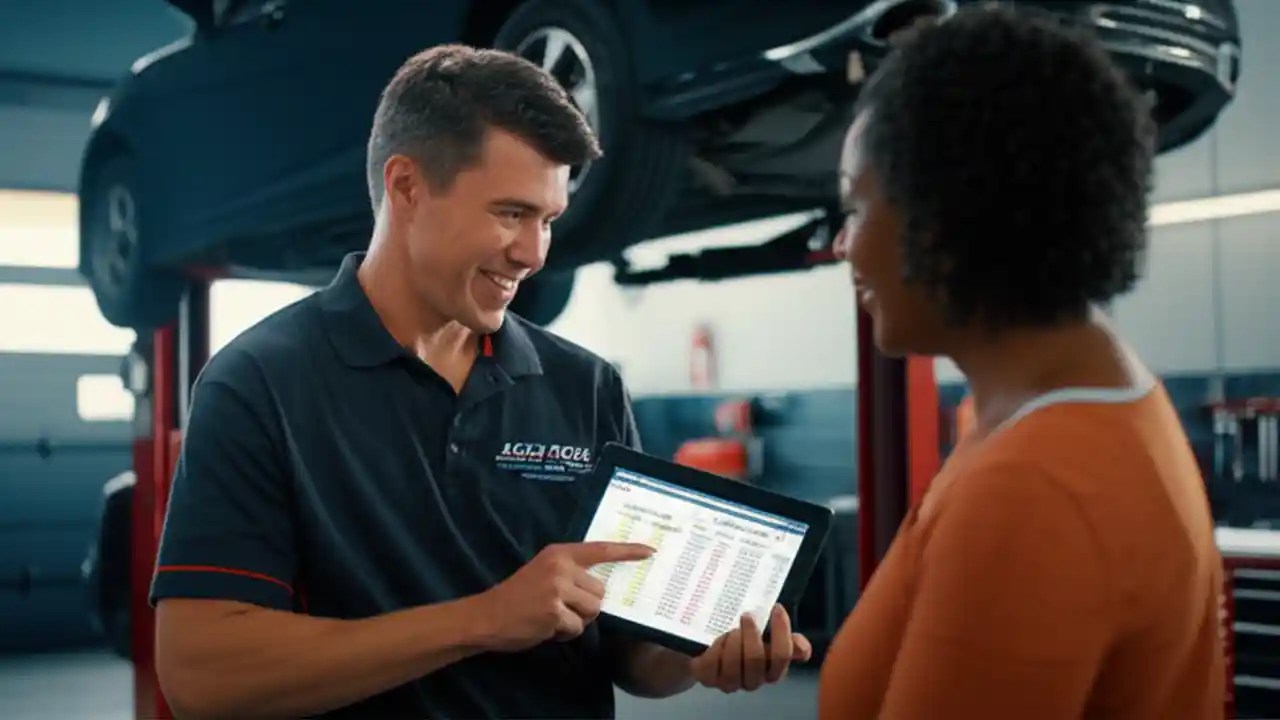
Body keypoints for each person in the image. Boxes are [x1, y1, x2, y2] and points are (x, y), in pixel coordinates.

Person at [152, 44, 809, 720]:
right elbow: (203, 675)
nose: (533, 254)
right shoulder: (258, 383)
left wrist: (698, 655)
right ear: (407, 186)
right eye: (510, 213)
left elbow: (627, 654)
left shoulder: (586, 388)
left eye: (547, 220)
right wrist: (482, 619)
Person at [818, 7, 1225, 719]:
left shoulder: (1038, 485)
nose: (844, 247)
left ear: (942, 213)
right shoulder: (1064, 404)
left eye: (855, 208)